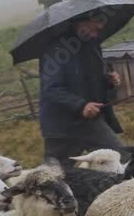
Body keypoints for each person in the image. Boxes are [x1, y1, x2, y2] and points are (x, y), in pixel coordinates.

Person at [38, 16, 125, 167]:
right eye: (96, 28)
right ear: (82, 22)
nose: (97, 33)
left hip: (91, 120)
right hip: (62, 126)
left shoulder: (92, 45)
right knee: (56, 173)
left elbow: (89, 79)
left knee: (122, 159)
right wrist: (80, 105)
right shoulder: (56, 50)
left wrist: (107, 81)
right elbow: (51, 89)